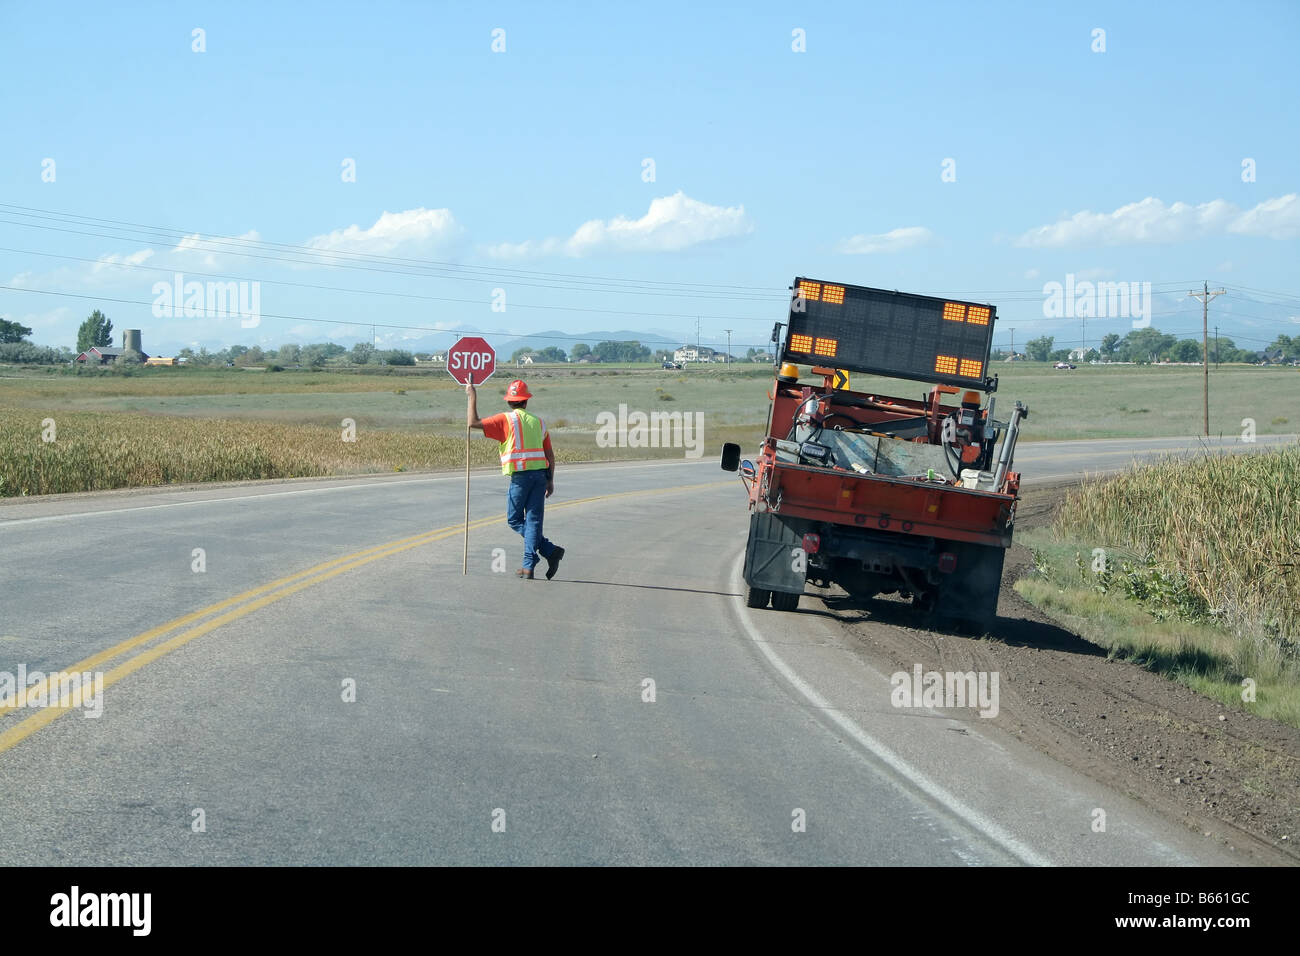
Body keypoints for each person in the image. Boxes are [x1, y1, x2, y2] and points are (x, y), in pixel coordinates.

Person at [467, 378, 565, 580]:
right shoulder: (539, 422)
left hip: (521, 479)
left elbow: (472, 423)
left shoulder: (505, 420)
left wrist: (472, 395)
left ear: (509, 401)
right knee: (534, 521)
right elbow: (550, 456)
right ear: (526, 401)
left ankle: (547, 551)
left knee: (515, 520)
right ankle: (532, 563)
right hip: (539, 477)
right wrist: (550, 480)